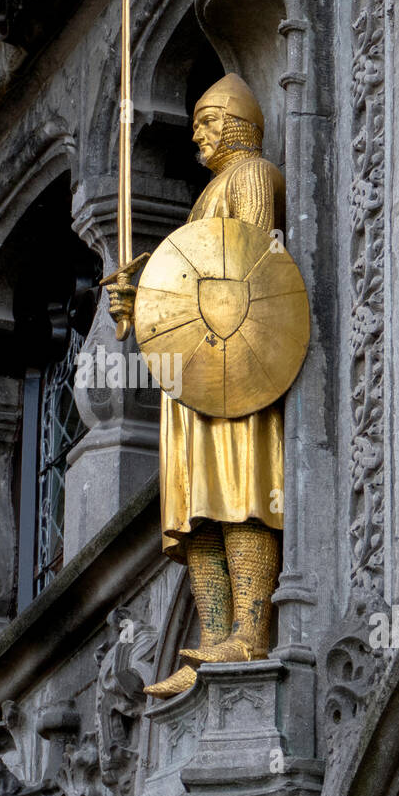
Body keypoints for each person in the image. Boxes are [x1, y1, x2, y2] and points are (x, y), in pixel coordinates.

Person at [110, 74, 288, 698]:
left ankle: (250, 630)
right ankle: (213, 636)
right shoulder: (207, 193)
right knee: (199, 516)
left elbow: (248, 267)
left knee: (240, 500)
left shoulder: (251, 177)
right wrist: (145, 295)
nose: (200, 140)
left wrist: (166, 283)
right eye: (196, 130)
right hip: (196, 380)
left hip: (236, 373)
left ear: (238, 123)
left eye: (209, 125)